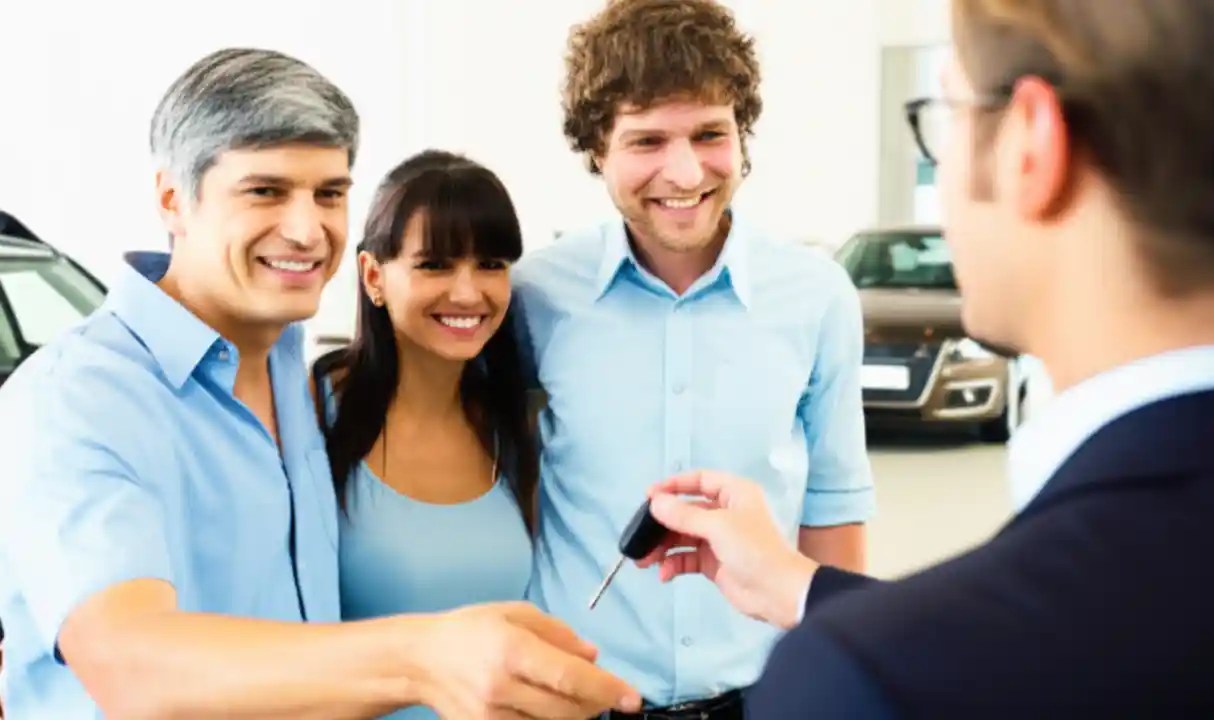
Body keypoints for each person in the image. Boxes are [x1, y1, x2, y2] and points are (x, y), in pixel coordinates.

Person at [636, 0, 1214, 716]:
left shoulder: (866, 681)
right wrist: (803, 587)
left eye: (947, 111)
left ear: (1028, 147)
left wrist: (853, 646)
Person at [0, 47, 640, 719]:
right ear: (172, 200)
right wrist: (425, 657)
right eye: (265, 191)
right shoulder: (74, 397)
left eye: (329, 193)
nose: (308, 230)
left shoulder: (283, 368)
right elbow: (131, 667)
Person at [510, 0, 876, 715]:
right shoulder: (534, 296)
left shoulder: (817, 295)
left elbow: (834, 509)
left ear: (742, 137)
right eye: (647, 141)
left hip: (765, 698)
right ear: (596, 150)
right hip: (581, 698)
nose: (684, 173)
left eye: (710, 134)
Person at [312, 149, 538, 719]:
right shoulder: (309, 413)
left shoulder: (513, 425)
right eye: (435, 265)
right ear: (374, 277)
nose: (468, 293)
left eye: (490, 264)